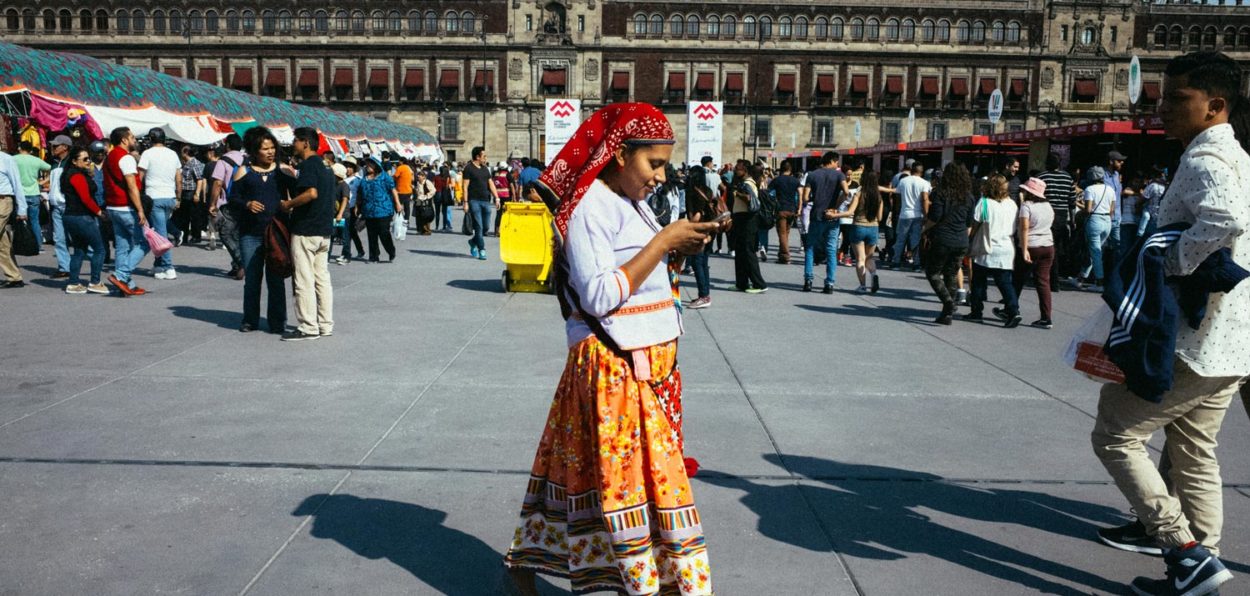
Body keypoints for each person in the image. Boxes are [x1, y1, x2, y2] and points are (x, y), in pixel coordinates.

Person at [503, 103, 719, 596]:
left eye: (664, 164)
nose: (660, 176)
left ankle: (530, 562)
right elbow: (599, 296)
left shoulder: (634, 203)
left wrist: (678, 247)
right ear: (620, 155)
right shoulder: (587, 209)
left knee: (587, 474)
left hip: (648, 367)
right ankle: (649, 584)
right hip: (615, 368)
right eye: (654, 164)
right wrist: (664, 242)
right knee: (637, 486)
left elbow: (640, 276)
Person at [1091, 51, 1249, 596]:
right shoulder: (1239, 157)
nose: (1162, 108)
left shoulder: (1205, 159)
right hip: (1232, 344)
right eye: (1162, 96)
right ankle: (1201, 564)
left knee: (1114, 433)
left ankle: (1183, 551)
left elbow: (1225, 219)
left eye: (1178, 99)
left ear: (1216, 106)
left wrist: (1172, 261)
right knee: (1193, 451)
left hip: (1195, 339)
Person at [228, 127, 289, 334]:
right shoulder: (243, 171)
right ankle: (250, 320)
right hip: (250, 235)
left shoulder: (283, 171)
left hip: (276, 234)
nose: (270, 152)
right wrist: (247, 204)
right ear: (255, 150)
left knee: (276, 279)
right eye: (265, 149)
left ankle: (277, 321)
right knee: (252, 280)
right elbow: (232, 199)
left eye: (272, 147)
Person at [279, 127, 336, 342]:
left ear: (305, 143)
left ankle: (308, 326)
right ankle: (325, 324)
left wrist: (288, 204)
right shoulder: (325, 166)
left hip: (306, 229)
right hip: (323, 230)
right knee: (322, 279)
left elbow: (311, 193)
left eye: (295, 141)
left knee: (303, 280)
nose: (293, 145)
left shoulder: (308, 165)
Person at [963, 174, 1021, 328]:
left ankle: (976, 311)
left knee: (978, 281)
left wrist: (969, 241)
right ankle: (1013, 310)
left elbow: (975, 224)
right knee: (1005, 282)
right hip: (1007, 246)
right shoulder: (1012, 204)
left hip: (986, 246)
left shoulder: (984, 203)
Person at [923, 163, 974, 325]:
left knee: (933, 273)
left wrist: (923, 229)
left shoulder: (940, 193)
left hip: (943, 239)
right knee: (951, 274)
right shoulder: (969, 196)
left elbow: (935, 217)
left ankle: (948, 302)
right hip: (961, 240)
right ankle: (947, 314)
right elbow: (969, 222)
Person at [102, 127, 149, 297]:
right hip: (125, 207)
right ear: (124, 140)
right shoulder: (126, 158)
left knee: (122, 247)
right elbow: (132, 186)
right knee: (144, 242)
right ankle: (121, 276)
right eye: (131, 137)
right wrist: (140, 210)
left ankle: (126, 283)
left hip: (113, 206)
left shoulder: (110, 157)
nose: (134, 139)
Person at [58, 147, 109, 295]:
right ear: (74, 161)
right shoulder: (76, 176)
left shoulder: (73, 174)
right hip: (81, 216)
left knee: (79, 250)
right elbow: (85, 198)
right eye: (85, 159)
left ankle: (73, 283)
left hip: (71, 216)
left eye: (89, 158)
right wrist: (99, 212)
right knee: (100, 249)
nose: (89, 161)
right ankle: (95, 282)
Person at [802, 151, 851, 293]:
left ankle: (808, 280)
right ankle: (829, 283)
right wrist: (835, 207)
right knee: (831, 250)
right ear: (832, 161)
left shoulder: (812, 175)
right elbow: (846, 193)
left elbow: (805, 197)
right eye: (837, 162)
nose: (838, 165)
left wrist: (815, 200)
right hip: (832, 217)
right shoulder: (839, 175)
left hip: (816, 215)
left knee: (810, 248)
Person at [138, 128, 182, 280]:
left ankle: (169, 267)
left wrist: (138, 195)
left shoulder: (147, 154)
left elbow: (140, 176)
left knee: (161, 234)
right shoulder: (173, 154)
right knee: (158, 231)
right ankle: (158, 265)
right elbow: (178, 178)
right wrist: (178, 197)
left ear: (150, 139)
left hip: (154, 196)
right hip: (169, 196)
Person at [1012, 178, 1056, 329]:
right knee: (1043, 282)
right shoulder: (1048, 206)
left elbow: (1024, 228)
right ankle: (1046, 317)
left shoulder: (1027, 206)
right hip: (1048, 245)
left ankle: (1010, 309)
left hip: (1031, 245)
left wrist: (1024, 249)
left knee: (1018, 278)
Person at [1037, 153, 1077, 291]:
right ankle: (1055, 280)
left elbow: (1037, 196)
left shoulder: (1042, 177)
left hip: (1046, 213)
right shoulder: (1068, 178)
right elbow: (1072, 201)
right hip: (1061, 215)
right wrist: (1072, 220)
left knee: (1045, 245)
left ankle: (1048, 278)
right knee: (1057, 248)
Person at [210, 134, 246, 280]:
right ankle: (236, 266)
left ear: (228, 145)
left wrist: (212, 204)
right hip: (246, 202)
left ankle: (241, 261)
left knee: (225, 233)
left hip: (229, 202)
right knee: (237, 233)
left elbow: (218, 183)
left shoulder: (223, 161)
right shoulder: (247, 159)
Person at [729, 161, 767, 293]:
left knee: (748, 252)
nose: (735, 170)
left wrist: (737, 194)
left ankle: (759, 284)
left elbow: (750, 199)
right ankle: (741, 283)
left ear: (745, 170)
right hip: (741, 219)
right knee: (740, 252)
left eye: (738, 169)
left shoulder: (748, 183)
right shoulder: (742, 183)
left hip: (748, 220)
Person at [846, 170, 884, 293]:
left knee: (860, 259)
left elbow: (850, 211)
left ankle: (862, 286)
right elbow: (880, 218)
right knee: (870, 258)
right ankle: (873, 274)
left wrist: (836, 214)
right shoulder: (878, 196)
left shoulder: (859, 194)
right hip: (873, 227)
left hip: (859, 226)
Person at [357, 157, 402, 263]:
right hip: (369, 211)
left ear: (376, 166)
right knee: (371, 235)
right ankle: (373, 256)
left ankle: (391, 251)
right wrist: (357, 207)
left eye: (369, 165)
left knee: (384, 233)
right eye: (366, 165)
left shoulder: (384, 177)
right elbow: (360, 194)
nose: (367, 167)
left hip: (384, 210)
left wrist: (398, 204)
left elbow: (393, 190)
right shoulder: (364, 179)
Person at [1079, 166, 1116, 292]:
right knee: (1095, 251)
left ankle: (1099, 282)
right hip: (1107, 222)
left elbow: (1088, 209)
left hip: (1094, 221)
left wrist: (1078, 205)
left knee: (1096, 253)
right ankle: (1081, 277)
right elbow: (1112, 210)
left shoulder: (1089, 189)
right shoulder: (1110, 189)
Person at [891, 162, 931, 270]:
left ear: (911, 170)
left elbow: (898, 196)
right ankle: (916, 263)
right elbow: (925, 199)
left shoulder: (903, 181)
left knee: (900, 239)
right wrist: (926, 215)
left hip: (904, 214)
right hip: (918, 215)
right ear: (921, 172)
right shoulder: (925, 183)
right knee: (915, 240)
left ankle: (896, 262)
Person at [13, 141, 50, 252]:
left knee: (19, 220)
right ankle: (38, 245)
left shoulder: (13, 159)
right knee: (35, 221)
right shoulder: (36, 160)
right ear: (30, 150)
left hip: (19, 194)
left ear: (19, 148)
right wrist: (43, 182)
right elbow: (50, 169)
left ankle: (21, 244)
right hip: (34, 193)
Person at [0, 149, 29, 288]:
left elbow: (17, 184)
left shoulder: (6, 159)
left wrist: (22, 208)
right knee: (2, 244)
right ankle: (14, 277)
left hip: (3, 201)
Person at [462, 146, 498, 259]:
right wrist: (466, 202)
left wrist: (496, 197)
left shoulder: (485, 169)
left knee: (486, 227)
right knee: (478, 226)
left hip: (485, 200)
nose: (485, 158)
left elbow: (490, 183)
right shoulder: (468, 168)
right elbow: (465, 187)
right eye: (484, 156)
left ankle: (473, 242)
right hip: (474, 201)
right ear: (477, 157)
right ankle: (482, 249)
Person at [769, 161, 800, 264]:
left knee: (782, 233)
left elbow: (769, 193)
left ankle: (785, 256)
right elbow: (800, 194)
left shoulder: (777, 180)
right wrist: (799, 209)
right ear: (790, 170)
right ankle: (781, 255)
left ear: (781, 169)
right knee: (786, 233)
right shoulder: (795, 181)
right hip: (792, 209)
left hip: (781, 208)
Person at [175, 145, 204, 245]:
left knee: (194, 215)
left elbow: (199, 179)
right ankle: (185, 236)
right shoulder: (186, 163)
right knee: (184, 216)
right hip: (185, 192)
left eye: (182, 152)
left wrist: (197, 193)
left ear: (186, 152)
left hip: (191, 191)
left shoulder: (194, 163)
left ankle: (196, 236)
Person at [392, 157, 414, 227]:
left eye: (399, 161)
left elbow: (395, 176)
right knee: (407, 207)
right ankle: (406, 221)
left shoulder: (400, 167)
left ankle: (400, 218)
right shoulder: (409, 168)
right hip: (409, 190)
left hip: (401, 190)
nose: (398, 162)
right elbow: (413, 178)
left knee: (397, 205)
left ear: (401, 161)